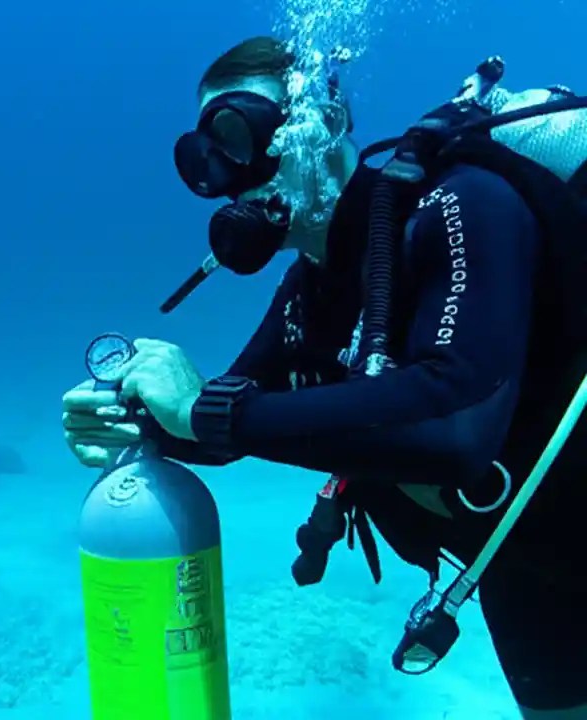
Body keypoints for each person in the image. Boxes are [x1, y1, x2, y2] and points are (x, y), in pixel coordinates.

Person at [62, 36, 587, 718]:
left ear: (325, 123)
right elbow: (225, 420)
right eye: (206, 159)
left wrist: (201, 412)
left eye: (237, 134)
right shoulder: (306, 296)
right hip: (519, 569)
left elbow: (457, 427)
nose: (230, 173)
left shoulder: (462, 205)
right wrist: (135, 417)